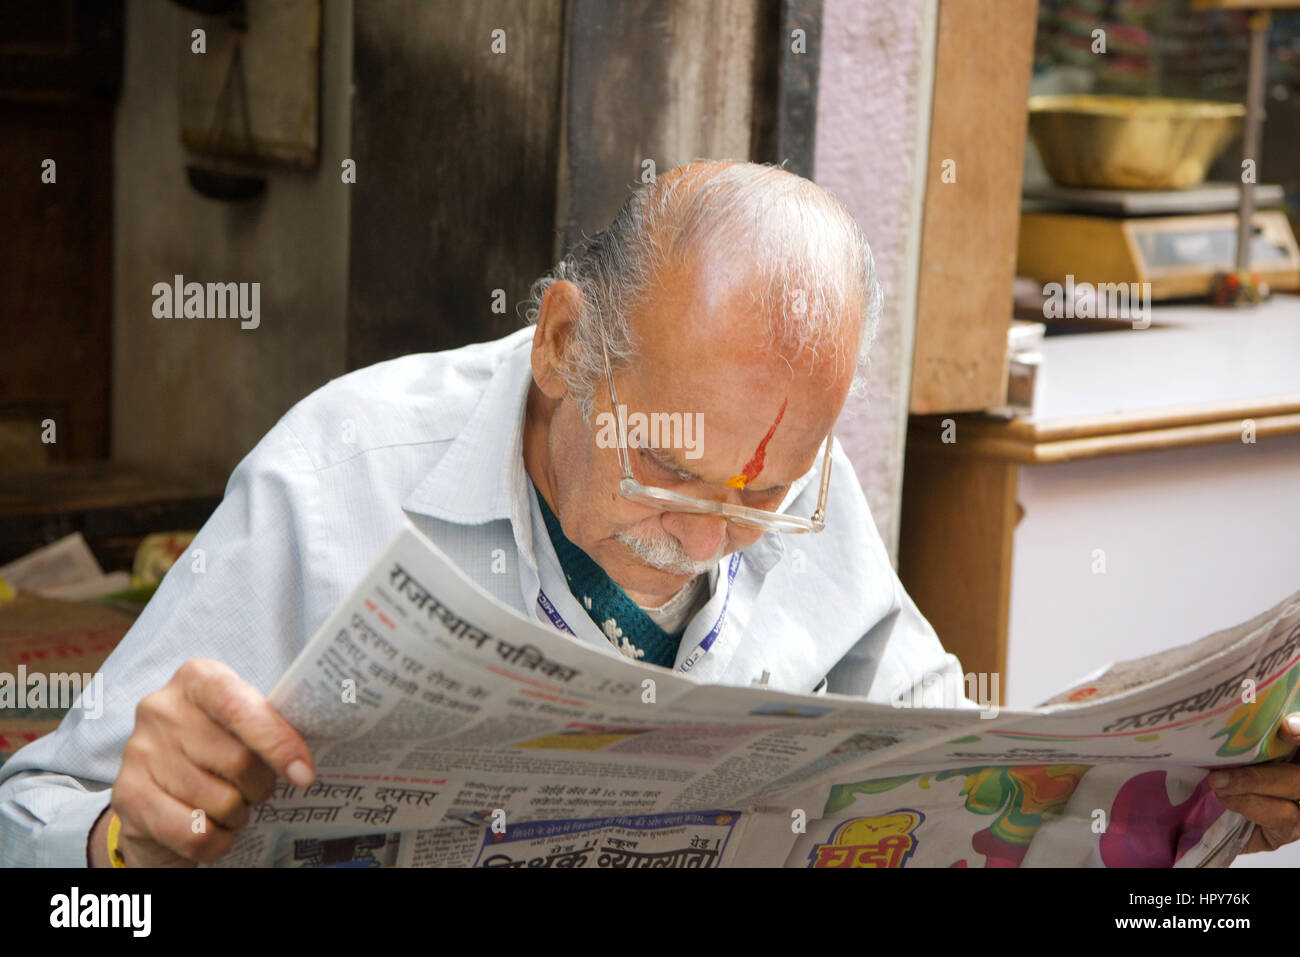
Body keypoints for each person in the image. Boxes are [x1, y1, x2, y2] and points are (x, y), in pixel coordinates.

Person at [3, 162, 1292, 867]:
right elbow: (30, 837)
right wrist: (126, 843)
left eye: (765, 499)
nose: (707, 539)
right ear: (565, 341)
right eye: (671, 475)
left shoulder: (798, 490)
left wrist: (1190, 789)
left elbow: (948, 772)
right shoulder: (338, 475)